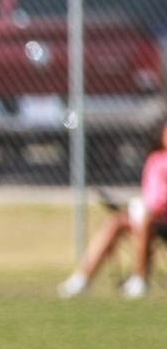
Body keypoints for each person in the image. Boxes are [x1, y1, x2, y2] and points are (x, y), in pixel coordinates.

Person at [59, 120, 167, 299]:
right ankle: (82, 278)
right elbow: (152, 194)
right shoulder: (154, 160)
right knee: (116, 222)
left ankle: (140, 280)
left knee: (146, 221)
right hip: (151, 216)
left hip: (161, 219)